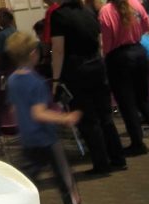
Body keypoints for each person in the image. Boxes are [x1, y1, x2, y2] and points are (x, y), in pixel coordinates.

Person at [6, 31, 87, 204]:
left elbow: (14, 109)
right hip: (46, 138)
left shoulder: (12, 80)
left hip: (27, 137)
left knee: (27, 178)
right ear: (34, 53)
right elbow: (39, 113)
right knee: (63, 174)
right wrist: (65, 117)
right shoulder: (36, 82)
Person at [51, 0, 128, 174]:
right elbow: (100, 43)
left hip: (77, 71)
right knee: (106, 117)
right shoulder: (88, 11)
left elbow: (58, 50)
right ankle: (118, 158)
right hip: (97, 67)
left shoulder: (59, 15)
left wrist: (56, 80)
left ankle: (101, 164)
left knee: (88, 120)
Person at [99, 0, 149, 155]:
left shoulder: (106, 11)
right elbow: (147, 27)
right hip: (139, 53)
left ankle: (137, 143)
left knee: (127, 104)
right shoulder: (136, 5)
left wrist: (105, 56)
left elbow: (107, 42)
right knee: (143, 98)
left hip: (119, 57)